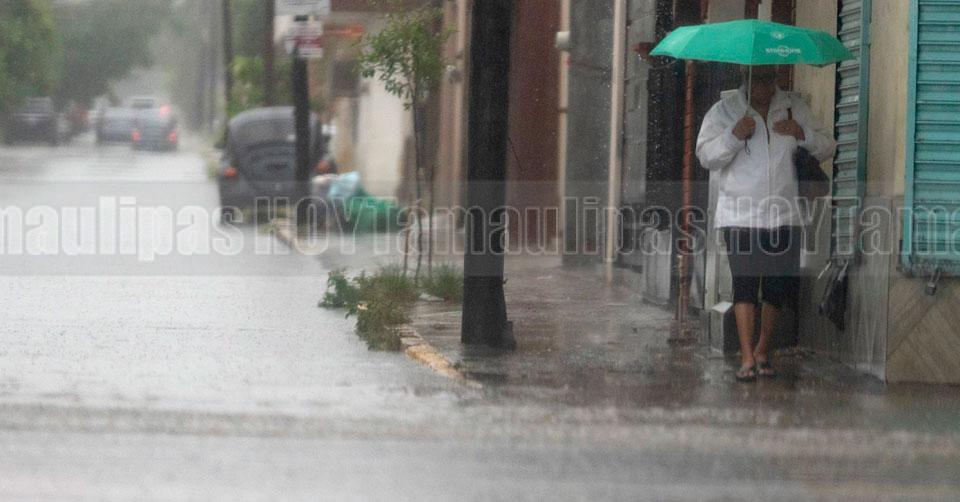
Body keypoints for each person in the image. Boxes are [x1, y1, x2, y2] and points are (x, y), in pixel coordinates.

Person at [696, 65, 836, 381]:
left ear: (775, 78)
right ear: (745, 78)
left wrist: (802, 134)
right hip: (740, 214)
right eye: (756, 78)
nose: (763, 85)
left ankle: (762, 350)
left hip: (784, 214)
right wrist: (734, 136)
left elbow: (828, 146)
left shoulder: (793, 107)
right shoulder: (725, 111)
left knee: (775, 289)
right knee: (745, 287)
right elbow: (705, 156)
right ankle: (746, 357)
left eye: (768, 78)